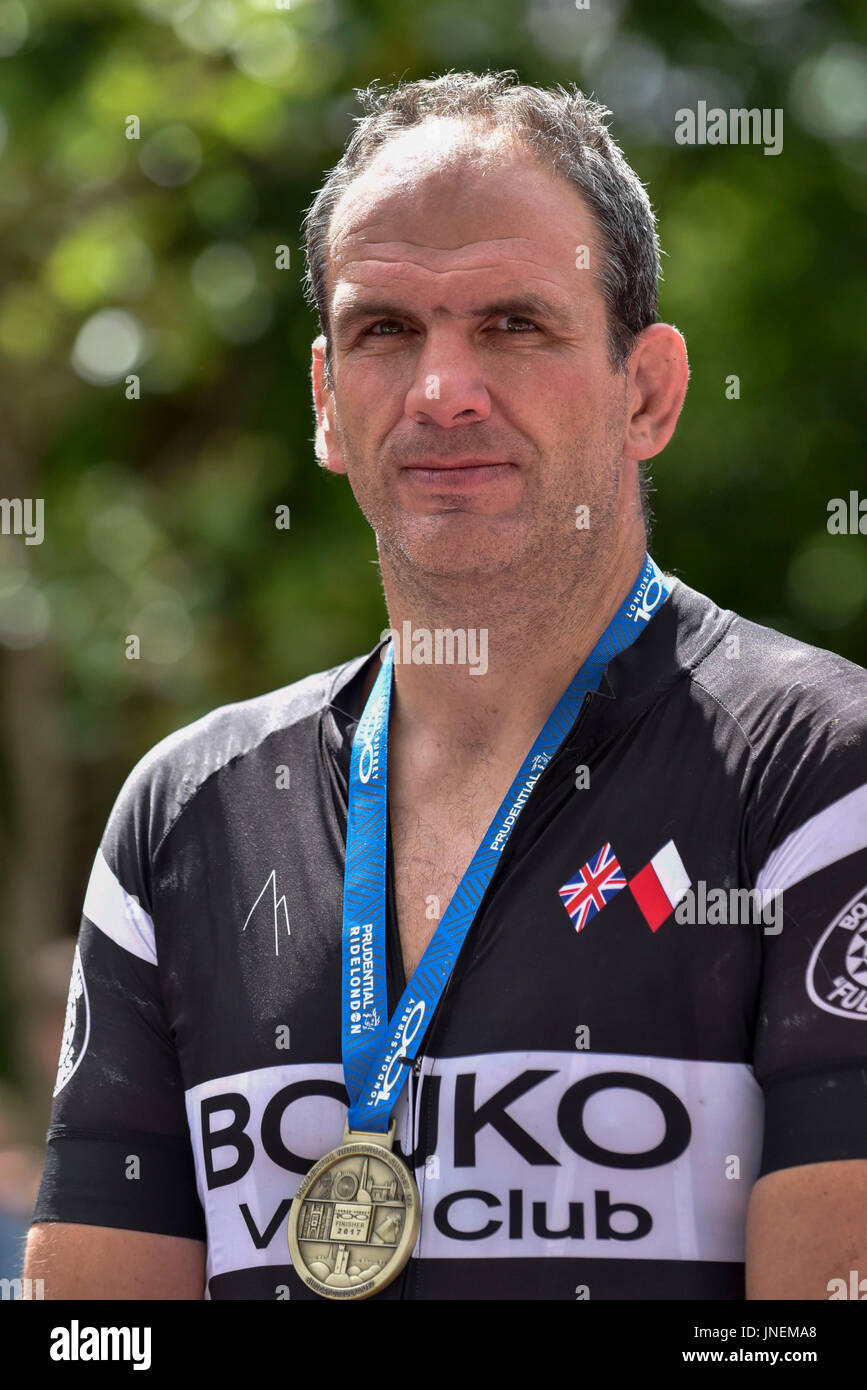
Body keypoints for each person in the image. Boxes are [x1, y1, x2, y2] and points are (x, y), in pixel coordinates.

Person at [24, 71, 867, 1301]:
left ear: (650, 391)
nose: (442, 392)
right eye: (386, 331)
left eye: (514, 325)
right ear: (325, 401)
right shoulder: (185, 817)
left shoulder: (819, 771)